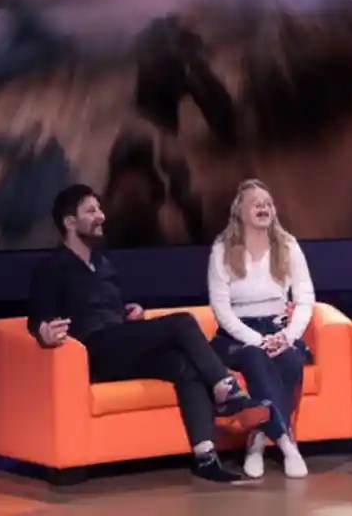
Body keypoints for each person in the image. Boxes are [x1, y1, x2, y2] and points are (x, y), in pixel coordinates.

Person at [28, 184, 271, 483]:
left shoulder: (104, 265)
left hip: (120, 342)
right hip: (94, 351)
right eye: (91, 211)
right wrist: (44, 332)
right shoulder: (53, 268)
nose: (101, 216)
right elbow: (37, 317)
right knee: (182, 321)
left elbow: (110, 310)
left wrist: (131, 314)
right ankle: (225, 387)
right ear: (69, 222)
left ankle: (205, 456)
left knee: (184, 366)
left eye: (99, 209)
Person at [207, 179, 314, 479]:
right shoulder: (222, 249)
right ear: (239, 212)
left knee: (291, 359)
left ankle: (256, 440)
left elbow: (305, 299)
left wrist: (288, 336)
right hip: (237, 333)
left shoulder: (288, 246)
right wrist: (257, 339)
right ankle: (285, 441)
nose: (263, 207)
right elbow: (221, 310)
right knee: (254, 357)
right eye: (256, 202)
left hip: (278, 328)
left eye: (268, 202)